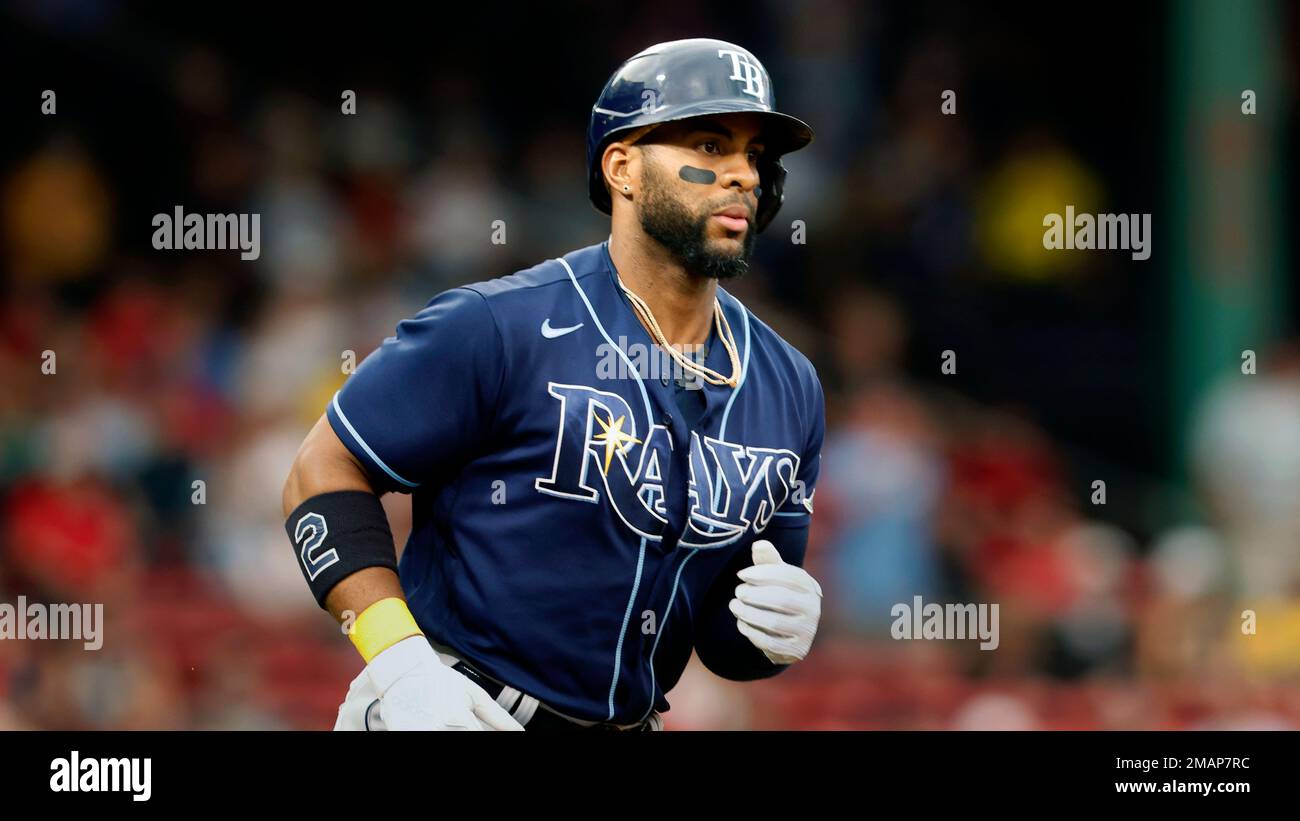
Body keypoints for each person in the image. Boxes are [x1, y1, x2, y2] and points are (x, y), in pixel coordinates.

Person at [281, 37, 826, 731]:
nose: (744, 175)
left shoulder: (790, 386)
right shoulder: (496, 326)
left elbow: (726, 641)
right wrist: (400, 664)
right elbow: (320, 470)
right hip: (458, 709)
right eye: (712, 145)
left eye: (755, 156)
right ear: (622, 167)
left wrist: (771, 634)